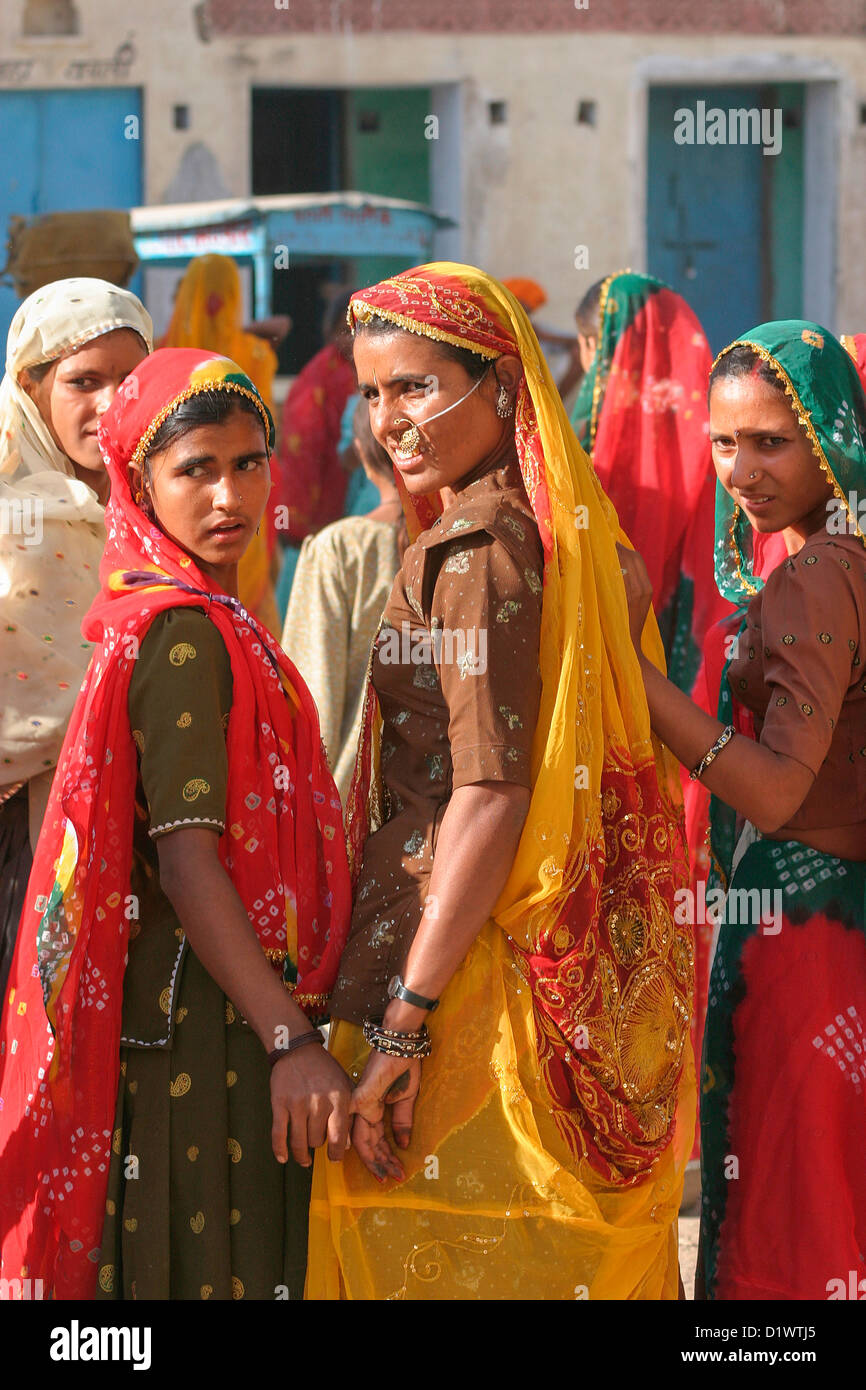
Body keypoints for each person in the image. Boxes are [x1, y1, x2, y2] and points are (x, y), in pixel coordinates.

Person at [305, 262, 695, 1301]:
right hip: (524, 955)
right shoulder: (566, 534)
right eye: (374, 393)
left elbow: (490, 793)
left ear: (505, 388)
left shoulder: (479, 550)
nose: (391, 420)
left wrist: (400, 1024)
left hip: (478, 979)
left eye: (418, 387)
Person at [0, 349, 354, 1300]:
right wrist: (291, 1040)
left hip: (209, 1007)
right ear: (139, 484)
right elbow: (191, 858)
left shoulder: (207, 615)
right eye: (193, 470)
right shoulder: (184, 632)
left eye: (247, 463)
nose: (227, 493)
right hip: (211, 1020)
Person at [618, 321, 866, 1300]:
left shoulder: (813, 579)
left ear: (831, 439)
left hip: (801, 945)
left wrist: (637, 682)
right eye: (722, 442)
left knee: (785, 1225)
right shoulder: (833, 561)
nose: (741, 470)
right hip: (835, 927)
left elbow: (771, 789)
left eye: (772, 442)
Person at [0, 278, 152, 997]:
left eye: (131, 379)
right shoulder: (16, 517)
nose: (112, 402)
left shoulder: (155, 503)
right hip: (22, 848)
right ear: (31, 387)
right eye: (83, 381)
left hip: (132, 839)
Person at [282, 399, 404, 804]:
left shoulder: (339, 549)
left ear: (362, 454)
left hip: (351, 805)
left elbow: (311, 696)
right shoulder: (461, 540)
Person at [160, 255, 281, 635]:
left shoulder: (163, 355)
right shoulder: (255, 354)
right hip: (246, 483)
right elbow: (267, 431)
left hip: (183, 501)